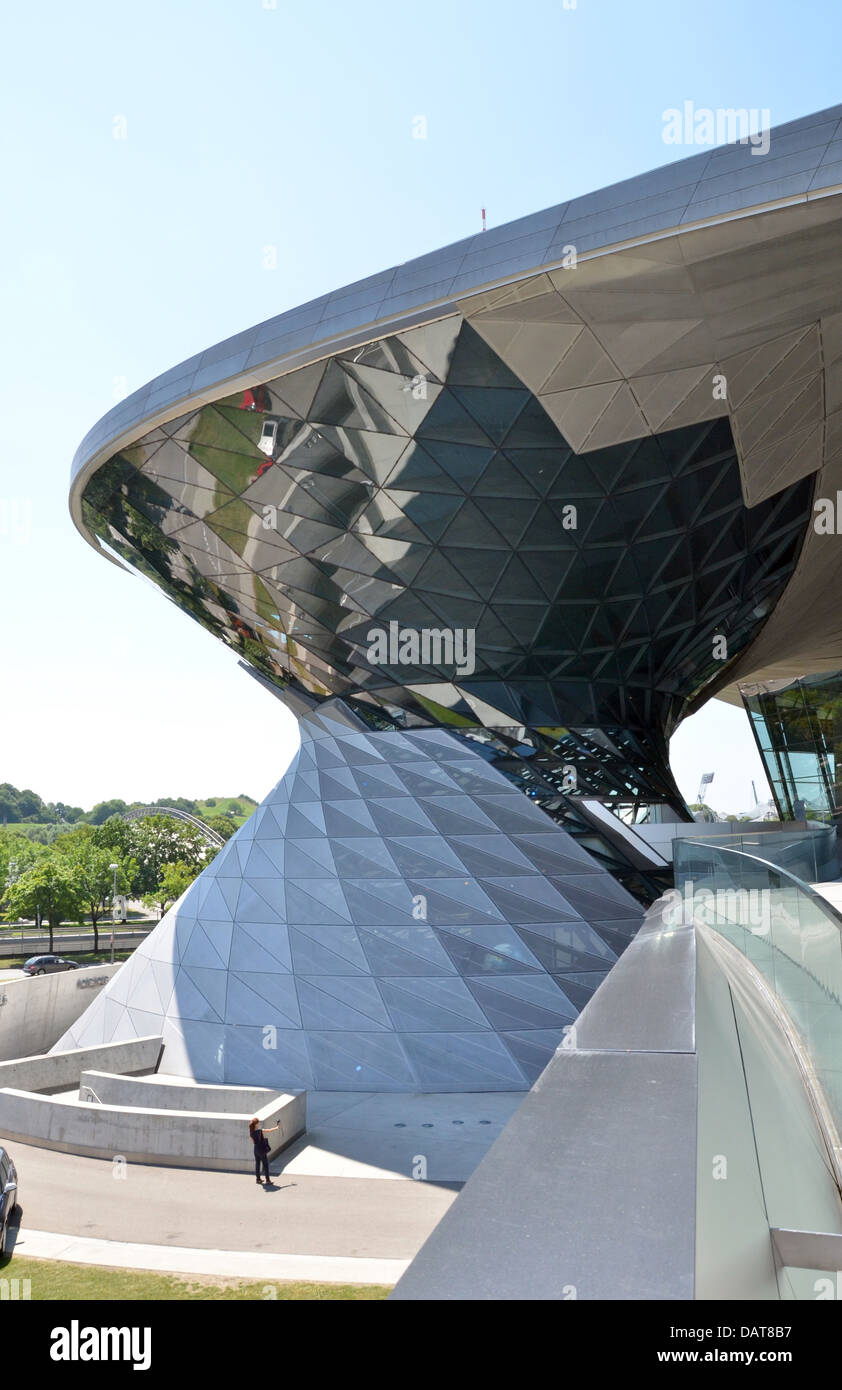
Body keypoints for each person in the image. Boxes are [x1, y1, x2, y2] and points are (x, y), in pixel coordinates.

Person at [249, 1116, 281, 1184]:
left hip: (255, 1150)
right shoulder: (260, 1131)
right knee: (265, 1165)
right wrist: (277, 1127)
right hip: (261, 1150)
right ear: (256, 1124)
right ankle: (268, 1180)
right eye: (257, 1123)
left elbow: (253, 1142)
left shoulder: (251, 1133)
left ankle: (258, 1179)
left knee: (257, 1164)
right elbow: (270, 1130)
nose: (258, 1124)